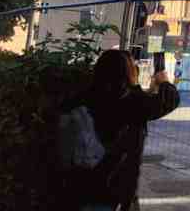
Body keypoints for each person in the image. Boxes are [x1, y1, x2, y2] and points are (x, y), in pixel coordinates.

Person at [64, 49, 180, 211]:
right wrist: (164, 83)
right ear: (127, 73)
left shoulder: (86, 96)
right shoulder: (132, 102)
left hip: (79, 184)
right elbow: (168, 101)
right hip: (114, 187)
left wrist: (148, 92)